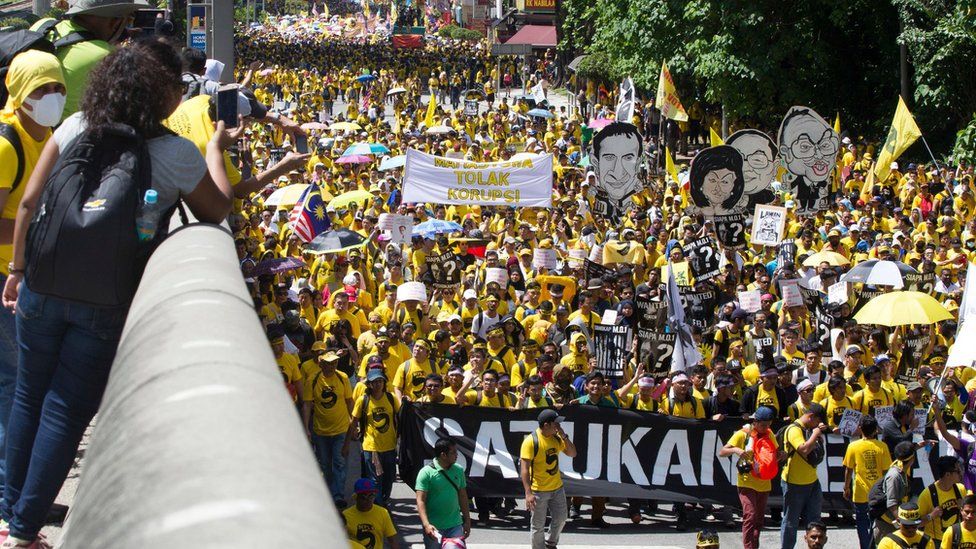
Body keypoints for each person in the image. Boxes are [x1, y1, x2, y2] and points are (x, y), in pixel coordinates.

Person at [0, 38, 236, 548]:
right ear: (162, 95)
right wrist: (216, 149)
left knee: (27, 397)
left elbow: (30, 204)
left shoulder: (74, 126)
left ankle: (8, 514)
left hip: (41, 284)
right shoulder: (175, 152)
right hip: (106, 301)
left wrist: (17, 271)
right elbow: (217, 209)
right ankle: (23, 531)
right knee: (64, 411)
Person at [0, 49, 66, 508]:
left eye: (58, 87)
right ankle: (12, 495)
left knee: (28, 384)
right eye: (42, 89)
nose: (53, 97)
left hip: (29, 276)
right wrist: (40, 230)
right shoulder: (7, 146)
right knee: (15, 384)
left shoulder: (49, 138)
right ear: (21, 93)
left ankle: (22, 489)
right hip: (5, 279)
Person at [31, 0, 145, 121]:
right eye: (129, 20)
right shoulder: (107, 56)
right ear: (115, 22)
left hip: (23, 129)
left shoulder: (43, 26)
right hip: (68, 132)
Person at [719, 405, 778, 549]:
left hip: (764, 483)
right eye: (763, 425)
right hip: (746, 483)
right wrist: (736, 449)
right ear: (755, 422)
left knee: (758, 521)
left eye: (768, 425)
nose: (765, 428)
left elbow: (774, 454)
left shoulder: (769, 434)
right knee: (750, 516)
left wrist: (781, 455)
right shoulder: (742, 434)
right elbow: (722, 451)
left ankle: (754, 546)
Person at [302, 348, 353, 508]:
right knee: (324, 464)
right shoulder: (313, 380)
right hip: (321, 431)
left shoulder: (343, 377)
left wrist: (353, 423)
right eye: (329, 364)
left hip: (341, 429)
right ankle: (328, 494)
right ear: (321, 364)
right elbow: (307, 405)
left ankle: (338, 495)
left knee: (339, 462)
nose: (332, 367)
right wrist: (306, 428)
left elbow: (349, 401)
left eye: (334, 363)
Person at [521, 408, 577, 549]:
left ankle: (550, 543)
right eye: (555, 424)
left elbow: (572, 453)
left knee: (561, 518)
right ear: (546, 425)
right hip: (538, 490)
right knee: (538, 525)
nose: (558, 426)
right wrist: (528, 493)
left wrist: (564, 436)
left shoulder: (556, 438)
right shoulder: (531, 441)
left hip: (557, 488)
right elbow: (524, 469)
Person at [780, 402, 828, 549]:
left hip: (812, 481)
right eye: (818, 421)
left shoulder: (809, 429)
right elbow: (804, 449)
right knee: (791, 521)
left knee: (815, 522)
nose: (818, 425)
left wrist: (817, 436)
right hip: (794, 483)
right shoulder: (794, 429)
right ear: (811, 416)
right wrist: (815, 434)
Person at [349, 369, 400, 507]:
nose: (378, 384)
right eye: (374, 382)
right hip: (371, 447)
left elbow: (400, 416)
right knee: (375, 480)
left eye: (380, 381)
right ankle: (379, 506)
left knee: (389, 479)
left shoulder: (391, 398)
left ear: (384, 383)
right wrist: (347, 444)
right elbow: (353, 422)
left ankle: (383, 501)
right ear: (369, 384)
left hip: (390, 446)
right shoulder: (363, 400)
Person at [843, 415, 891, 549]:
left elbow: (849, 469)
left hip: (860, 493)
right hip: (878, 494)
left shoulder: (853, 446)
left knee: (862, 524)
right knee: (877, 523)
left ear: (860, 428)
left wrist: (846, 487)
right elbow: (886, 472)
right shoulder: (882, 447)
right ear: (876, 430)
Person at [415, 437, 471, 549]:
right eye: (453, 452)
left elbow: (463, 496)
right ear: (443, 455)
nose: (457, 455)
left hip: (455, 525)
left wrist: (467, 520)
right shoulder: (425, 473)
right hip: (434, 528)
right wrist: (426, 525)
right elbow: (420, 500)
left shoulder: (459, 470)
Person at [876, 441, 920, 543]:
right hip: (888, 522)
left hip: (897, 518)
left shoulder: (900, 463)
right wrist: (902, 522)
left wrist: (918, 446)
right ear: (912, 459)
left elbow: (904, 452)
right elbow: (891, 503)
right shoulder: (894, 476)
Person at [916, 455, 966, 539]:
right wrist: (931, 516)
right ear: (947, 474)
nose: (961, 473)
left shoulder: (961, 489)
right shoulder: (927, 494)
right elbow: (916, 523)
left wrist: (963, 508)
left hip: (955, 539)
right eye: (957, 471)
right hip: (935, 541)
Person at [343, 478, 400, 549]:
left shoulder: (383, 513)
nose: (368, 500)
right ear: (356, 497)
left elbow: (393, 540)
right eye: (363, 497)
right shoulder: (346, 515)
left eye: (371, 496)